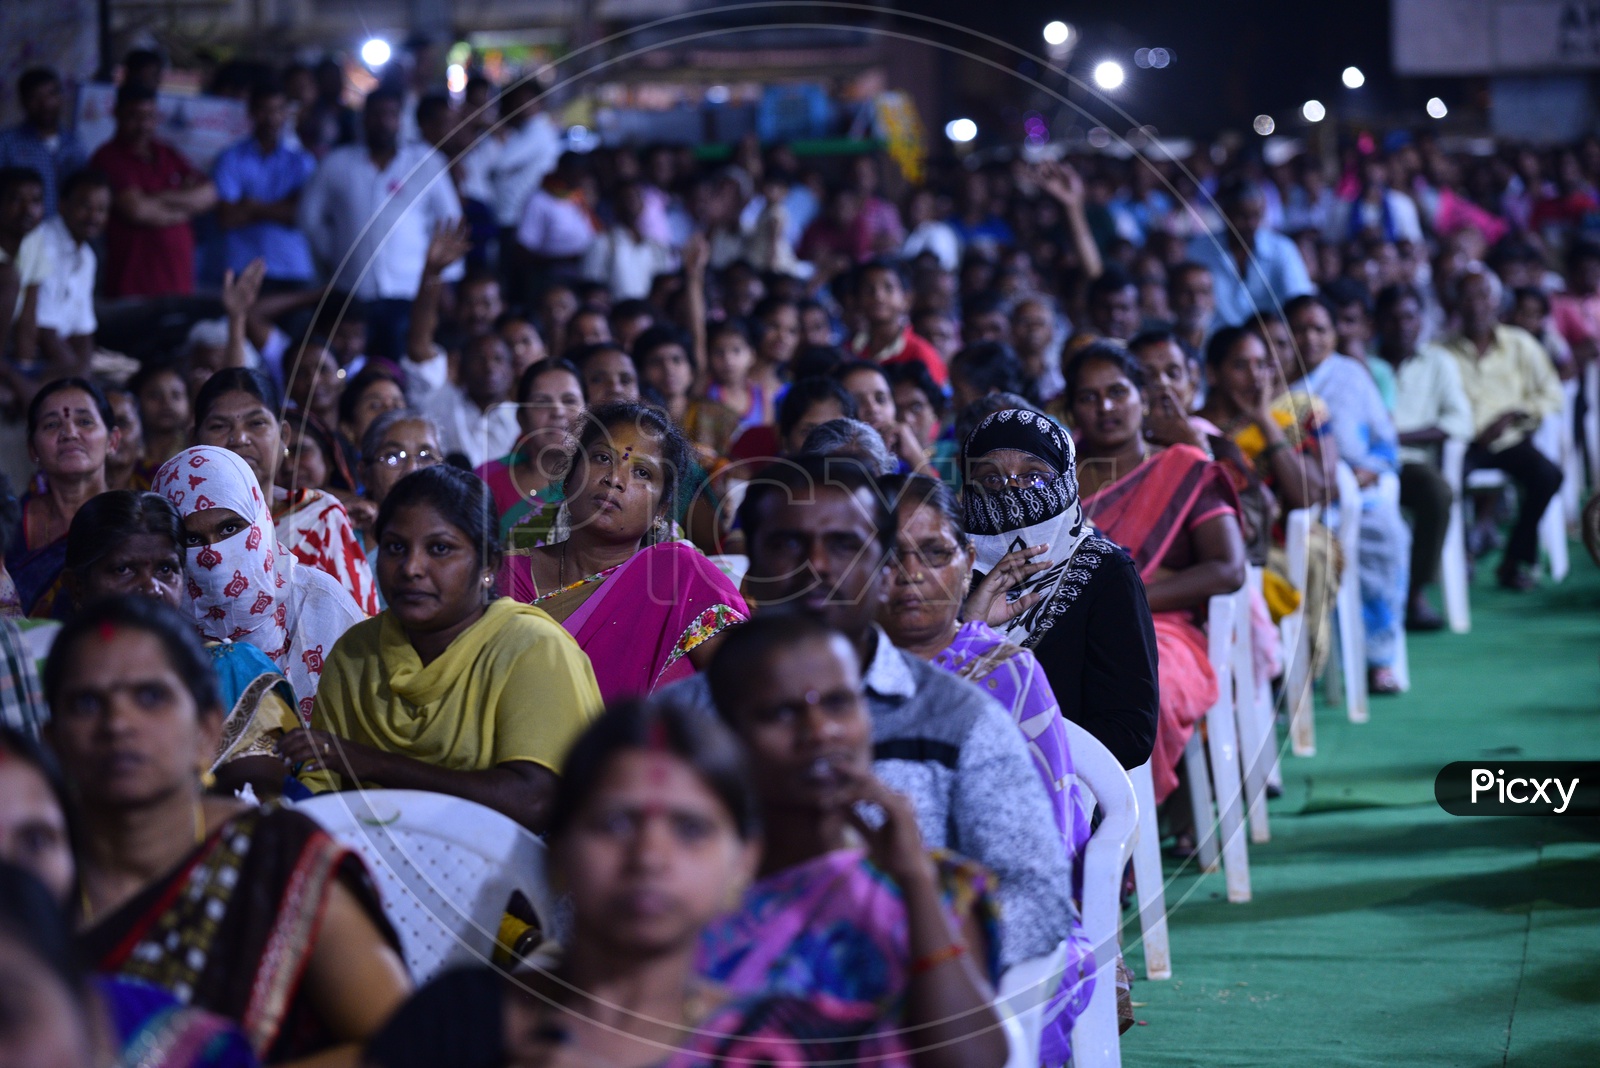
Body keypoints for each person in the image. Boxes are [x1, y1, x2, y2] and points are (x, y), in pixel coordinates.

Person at [665, 455, 1076, 970]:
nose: (818, 564)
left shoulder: (958, 716)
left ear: (879, 568)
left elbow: (1039, 893)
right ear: (753, 576)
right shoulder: (679, 721)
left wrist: (908, 950)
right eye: (787, 544)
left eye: (844, 545)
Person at [363, 699, 879, 1068]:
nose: (649, 857)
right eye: (615, 824)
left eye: (690, 829)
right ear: (557, 854)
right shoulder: (462, 1023)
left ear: (743, 864)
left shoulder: (788, 1044)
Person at [47, 596, 411, 1065]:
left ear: (206, 732)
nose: (118, 724)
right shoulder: (31, 878)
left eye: (151, 697)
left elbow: (400, 1044)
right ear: (52, 742)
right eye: (87, 703)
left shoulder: (273, 855)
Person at [701, 616, 1011, 1068]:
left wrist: (915, 882)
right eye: (782, 712)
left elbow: (973, 1059)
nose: (820, 731)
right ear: (730, 736)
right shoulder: (692, 883)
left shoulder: (935, 886)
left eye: (839, 703)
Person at [874, 475, 1093, 1060]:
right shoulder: (832, 676)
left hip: (992, 910)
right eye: (889, 555)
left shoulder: (1006, 674)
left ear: (968, 561)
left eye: (936, 552)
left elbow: (1050, 843)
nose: (912, 572)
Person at [292, 466, 600, 830]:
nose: (411, 568)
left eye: (440, 549)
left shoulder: (531, 649)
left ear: (488, 566)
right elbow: (323, 789)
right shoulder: (355, 653)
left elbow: (535, 801)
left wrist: (373, 764)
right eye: (395, 548)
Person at [1066, 345, 1247, 801]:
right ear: (1071, 410)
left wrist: (1123, 599)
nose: (1105, 407)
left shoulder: (1182, 469)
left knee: (1143, 689)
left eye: (1117, 392)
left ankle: (1132, 823)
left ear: (1142, 398)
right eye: (1088, 398)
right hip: (1069, 626)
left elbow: (1227, 567)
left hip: (1163, 628)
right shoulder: (1053, 481)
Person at [57, 491, 300, 796]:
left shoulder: (232, 670)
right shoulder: (46, 675)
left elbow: (258, 797)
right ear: (76, 587)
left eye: (166, 570)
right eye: (123, 570)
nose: (151, 588)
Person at [501, 403, 747, 702]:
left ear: (662, 509)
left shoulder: (683, 580)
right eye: (603, 458)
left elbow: (745, 695)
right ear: (568, 478)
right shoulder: (503, 578)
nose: (615, 479)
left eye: (642, 472)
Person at [960, 409, 1161, 771]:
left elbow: (1130, 732)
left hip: (1061, 787)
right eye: (990, 480)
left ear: (1065, 483)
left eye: (1034, 477)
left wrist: (1012, 757)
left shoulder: (1105, 572)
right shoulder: (946, 571)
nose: (1011, 492)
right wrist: (969, 626)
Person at [155, 446, 365, 721]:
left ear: (260, 521)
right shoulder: (160, 620)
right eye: (192, 540)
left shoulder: (320, 603)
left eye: (230, 529)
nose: (213, 555)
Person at [1285, 294, 1410, 693]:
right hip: (1292, 499)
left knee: (1388, 532)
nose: (1310, 338)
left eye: (1320, 329)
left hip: (1353, 493)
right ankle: (1300, 666)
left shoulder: (1352, 375)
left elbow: (1385, 442)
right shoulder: (1267, 377)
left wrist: (1367, 471)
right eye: (1299, 329)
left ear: (1335, 334)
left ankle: (1379, 657)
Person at [193, 369, 379, 615]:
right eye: (219, 426)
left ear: (283, 436)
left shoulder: (321, 517)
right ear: (194, 440)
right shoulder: (180, 528)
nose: (239, 438)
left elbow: (360, 623)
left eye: (256, 423)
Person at [297, 86, 463, 361]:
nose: (383, 121)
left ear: (400, 119)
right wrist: (333, 255)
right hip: (353, 291)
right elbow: (309, 220)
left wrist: (446, 280)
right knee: (351, 367)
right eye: (375, 114)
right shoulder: (336, 163)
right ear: (364, 119)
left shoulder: (426, 162)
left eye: (390, 114)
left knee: (407, 363)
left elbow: (451, 223)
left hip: (411, 289)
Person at [1439, 267, 1566, 591]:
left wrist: (1514, 414)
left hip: (1508, 440)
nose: (1476, 304)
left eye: (1483, 296)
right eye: (1467, 297)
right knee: (1443, 484)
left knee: (1548, 475)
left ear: (1496, 302)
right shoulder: (1440, 351)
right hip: (1462, 442)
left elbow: (1552, 394)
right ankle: (1461, 554)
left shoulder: (1520, 344)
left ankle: (1513, 559)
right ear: (1456, 304)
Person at [1373, 283, 1476, 628]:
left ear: (1420, 321)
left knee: (1438, 492)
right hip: (1368, 465)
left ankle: (1415, 592)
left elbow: (1459, 421)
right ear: (1378, 323)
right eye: (1392, 318)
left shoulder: (1438, 362)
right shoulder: (1364, 365)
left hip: (1411, 462)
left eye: (1409, 317)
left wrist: (1397, 436)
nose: (1401, 325)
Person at [89, 83, 216, 298]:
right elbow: (137, 210)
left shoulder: (166, 152)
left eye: (149, 117)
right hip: (133, 285)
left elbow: (210, 194)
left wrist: (158, 197)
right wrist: (187, 208)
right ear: (117, 114)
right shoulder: (108, 157)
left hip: (178, 282)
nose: (143, 125)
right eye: (134, 116)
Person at [9, 378, 119, 617]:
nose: (69, 433)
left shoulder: (133, 521)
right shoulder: (9, 523)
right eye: (51, 425)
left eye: (85, 422)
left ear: (113, 440)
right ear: (32, 450)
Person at [213, 80, 316, 288]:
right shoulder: (230, 158)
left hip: (292, 267)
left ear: (286, 113)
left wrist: (251, 206)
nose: (271, 118)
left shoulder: (302, 162)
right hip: (242, 267)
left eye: (278, 110)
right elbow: (227, 217)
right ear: (251, 112)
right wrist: (281, 208)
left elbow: (301, 216)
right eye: (264, 110)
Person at [477, 358, 583, 542]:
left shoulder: (604, 480)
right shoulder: (487, 480)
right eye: (542, 402)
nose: (557, 411)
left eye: (569, 400)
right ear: (521, 418)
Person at [1188, 177, 1315, 328]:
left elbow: (1299, 300)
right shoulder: (1199, 250)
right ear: (1225, 213)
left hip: (1269, 339)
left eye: (1256, 216)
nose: (1250, 223)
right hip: (1217, 341)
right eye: (1242, 216)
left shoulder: (1282, 249)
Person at [32, 168, 109, 375]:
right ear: (63, 205)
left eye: (101, 209)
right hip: (30, 353)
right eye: (86, 206)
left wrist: (83, 372)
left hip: (59, 355)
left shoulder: (87, 257)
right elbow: (43, 330)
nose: (94, 216)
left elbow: (83, 331)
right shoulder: (43, 244)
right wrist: (78, 378)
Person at [424, 330, 519, 469]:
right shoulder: (443, 408)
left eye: (498, 359)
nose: (489, 367)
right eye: (479, 359)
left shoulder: (522, 419)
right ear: (462, 368)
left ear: (511, 370)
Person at [845, 260, 949, 385]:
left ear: (907, 299)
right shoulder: (848, 350)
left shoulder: (920, 353)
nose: (878, 295)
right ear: (856, 300)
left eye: (888, 288)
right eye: (869, 289)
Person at [0, 68, 86, 217]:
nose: (45, 104)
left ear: (61, 97)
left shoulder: (75, 143)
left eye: (51, 94)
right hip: (21, 233)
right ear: (23, 102)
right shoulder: (7, 143)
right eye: (36, 97)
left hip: (64, 234)